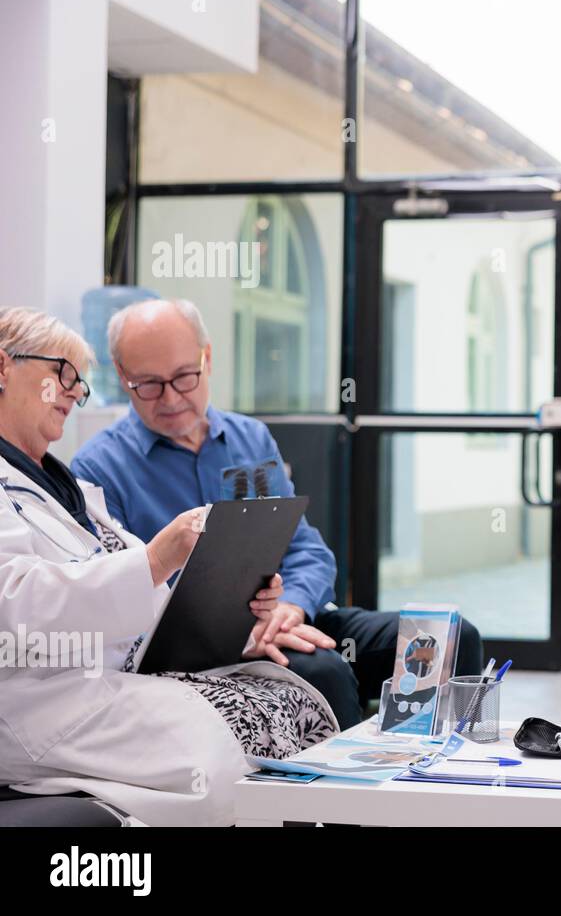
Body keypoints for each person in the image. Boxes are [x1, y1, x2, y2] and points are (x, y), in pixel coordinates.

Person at [71, 299, 483, 730]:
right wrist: (249, 627)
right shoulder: (99, 470)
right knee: (323, 671)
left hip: (292, 617)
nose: (172, 398)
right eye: (149, 384)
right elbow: (123, 595)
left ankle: (432, 774)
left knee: (450, 638)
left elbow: (306, 548)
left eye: (184, 377)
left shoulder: (250, 438)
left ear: (206, 358)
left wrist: (292, 606)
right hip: (205, 652)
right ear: (122, 376)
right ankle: (350, 794)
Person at [0, 307, 337, 826]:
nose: (73, 392)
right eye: (62, 374)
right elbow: (18, 601)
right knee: (225, 748)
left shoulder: (66, 487)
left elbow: (147, 594)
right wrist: (157, 557)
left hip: (122, 671)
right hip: (46, 700)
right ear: (3, 367)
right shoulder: (88, 469)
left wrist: (241, 624)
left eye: (79, 382)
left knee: (294, 694)